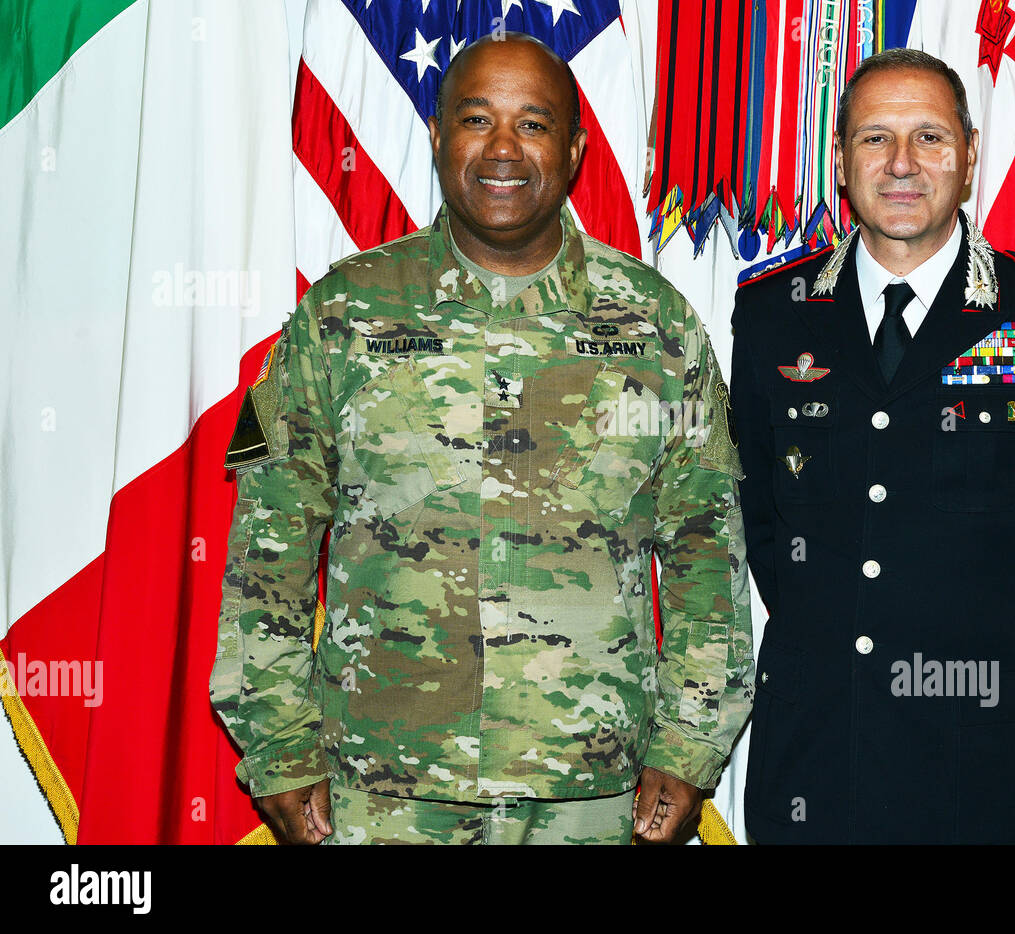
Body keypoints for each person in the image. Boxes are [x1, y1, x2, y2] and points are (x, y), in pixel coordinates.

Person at [211, 32, 753, 845]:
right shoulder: (342, 317)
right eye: (476, 120)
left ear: (573, 150)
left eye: (533, 125)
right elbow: (269, 551)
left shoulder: (656, 326)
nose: (503, 149)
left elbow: (707, 556)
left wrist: (689, 744)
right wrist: (281, 752)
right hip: (380, 794)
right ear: (436, 137)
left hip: (594, 798)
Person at [730, 48, 1015, 844]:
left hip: (986, 769)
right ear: (840, 160)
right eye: (875, 139)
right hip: (815, 762)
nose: (902, 164)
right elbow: (760, 513)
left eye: (929, 138)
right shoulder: (771, 315)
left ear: (968, 156)